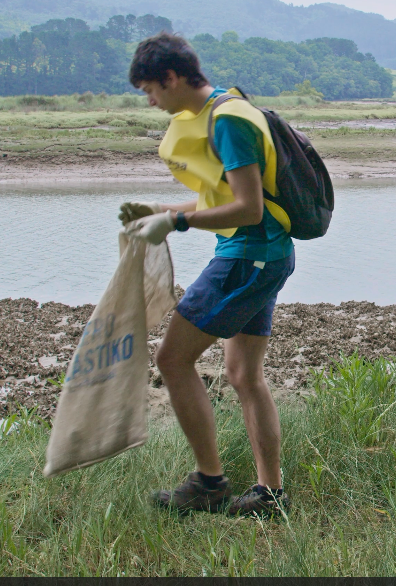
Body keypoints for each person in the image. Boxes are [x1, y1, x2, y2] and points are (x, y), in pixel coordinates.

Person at [120, 32, 294, 517]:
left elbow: (249, 207)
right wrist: (164, 209)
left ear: (172, 78)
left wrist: (176, 221)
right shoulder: (220, 109)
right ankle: (269, 495)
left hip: (248, 256)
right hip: (262, 254)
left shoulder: (228, 122)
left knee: (171, 360)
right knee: (243, 375)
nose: (152, 102)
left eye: (150, 90)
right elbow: (222, 197)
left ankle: (209, 484)